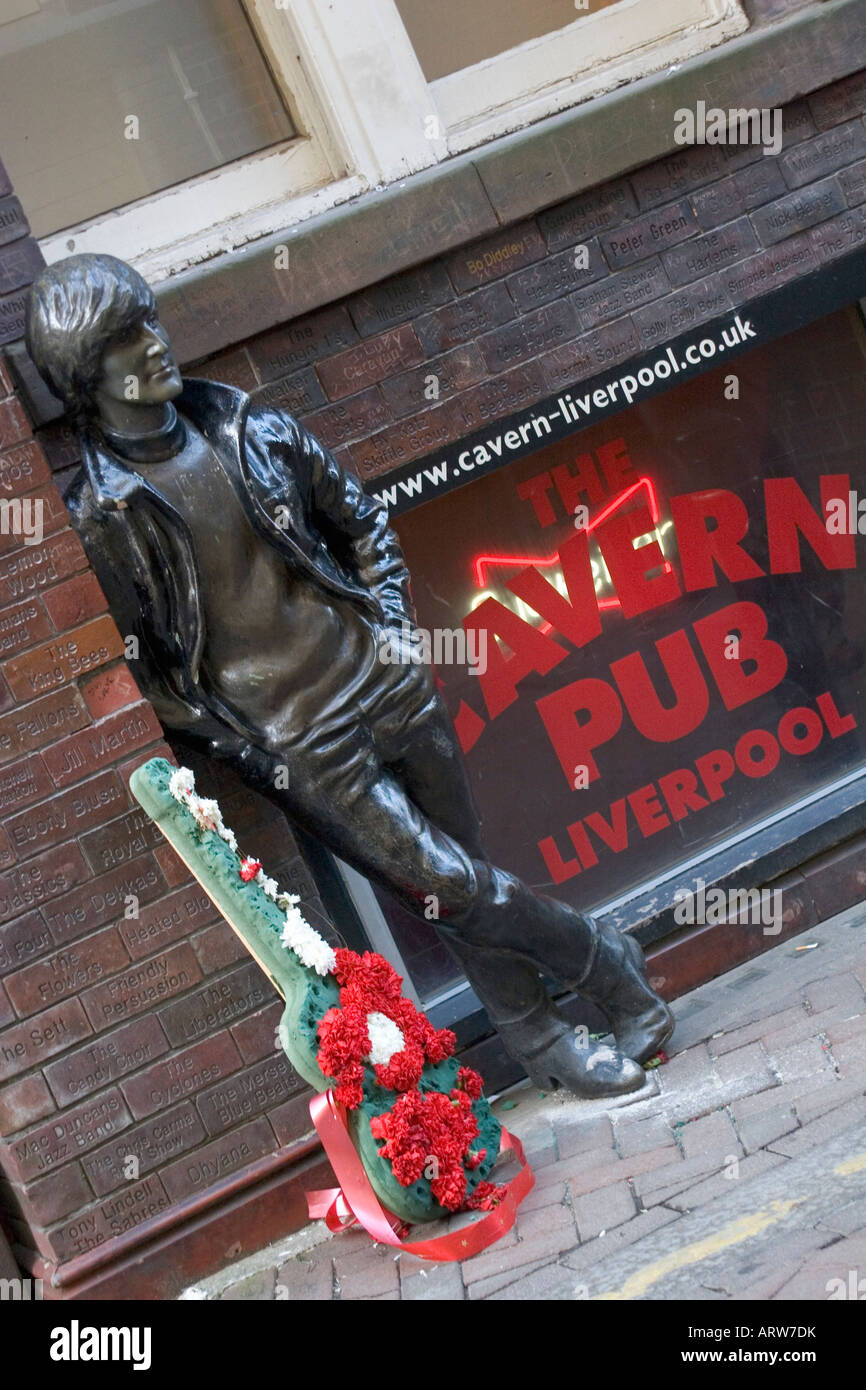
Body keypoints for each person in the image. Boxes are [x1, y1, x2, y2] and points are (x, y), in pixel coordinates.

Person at [26, 253, 673, 1097]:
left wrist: (396, 635)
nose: (154, 345)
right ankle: (605, 963)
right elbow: (154, 679)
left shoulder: (250, 429)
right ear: (85, 376)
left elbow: (362, 522)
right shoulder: (107, 520)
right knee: (448, 882)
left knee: (464, 879)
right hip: (303, 741)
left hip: (384, 677)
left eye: (149, 321)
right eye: (124, 341)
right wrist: (251, 751)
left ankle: (543, 1042)